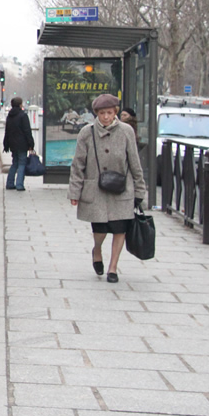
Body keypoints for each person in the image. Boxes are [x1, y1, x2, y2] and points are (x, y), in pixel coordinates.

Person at [68, 94, 147, 283]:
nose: (105, 117)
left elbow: (135, 162)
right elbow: (78, 163)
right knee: (100, 230)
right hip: (96, 189)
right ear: (96, 113)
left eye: (109, 113)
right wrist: (75, 191)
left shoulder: (126, 131)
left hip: (122, 189)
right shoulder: (87, 132)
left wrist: (139, 189)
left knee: (120, 229)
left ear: (115, 113)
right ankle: (97, 250)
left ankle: (113, 268)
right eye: (102, 113)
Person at [2, 96, 35, 191]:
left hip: (13, 144)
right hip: (22, 144)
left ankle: (10, 183)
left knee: (14, 163)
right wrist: (31, 144)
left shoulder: (9, 116)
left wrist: (6, 144)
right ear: (20, 104)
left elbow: (7, 131)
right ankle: (19, 184)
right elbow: (27, 131)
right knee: (22, 163)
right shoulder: (23, 115)